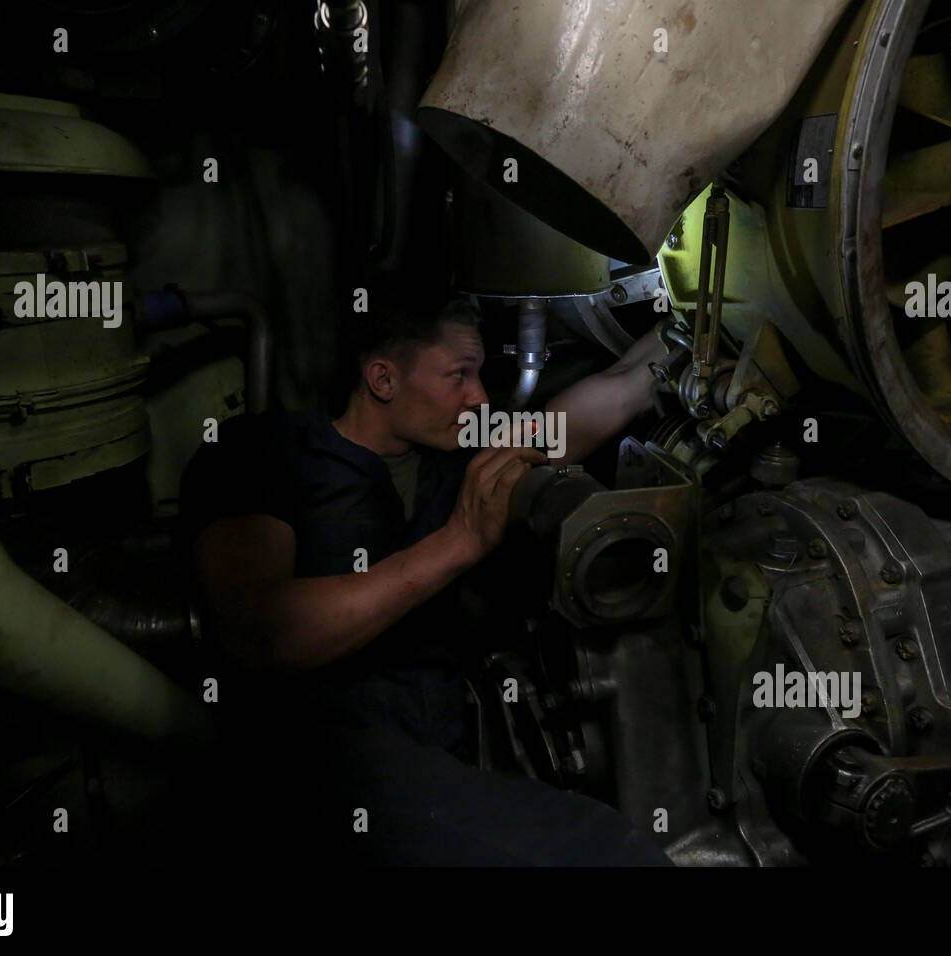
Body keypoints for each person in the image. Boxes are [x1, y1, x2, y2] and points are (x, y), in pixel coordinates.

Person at [178, 293, 667, 865]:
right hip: (313, 758)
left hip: (444, 753)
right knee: (603, 851)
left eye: (479, 374)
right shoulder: (264, 453)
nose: (479, 396)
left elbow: (588, 408)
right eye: (459, 375)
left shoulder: (457, 457)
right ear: (383, 379)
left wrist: (673, 348)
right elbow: (256, 631)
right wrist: (459, 542)